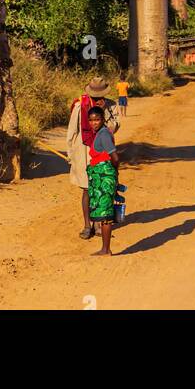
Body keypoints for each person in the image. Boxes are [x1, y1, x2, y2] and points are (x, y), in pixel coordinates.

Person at [66, 79, 120, 238]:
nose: (97, 99)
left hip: (102, 152)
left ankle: (98, 225)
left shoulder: (111, 106)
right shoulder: (79, 106)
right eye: (95, 96)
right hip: (82, 151)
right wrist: (70, 154)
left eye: (100, 96)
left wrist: (104, 112)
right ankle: (87, 225)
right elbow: (72, 131)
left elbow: (114, 128)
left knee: (100, 188)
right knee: (86, 188)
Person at [85, 105, 120, 257]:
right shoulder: (101, 133)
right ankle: (105, 248)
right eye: (91, 120)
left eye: (97, 120)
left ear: (103, 120)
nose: (94, 123)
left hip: (105, 179)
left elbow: (115, 157)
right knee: (104, 213)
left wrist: (112, 174)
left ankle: (106, 249)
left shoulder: (104, 135)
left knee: (105, 215)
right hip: (102, 179)